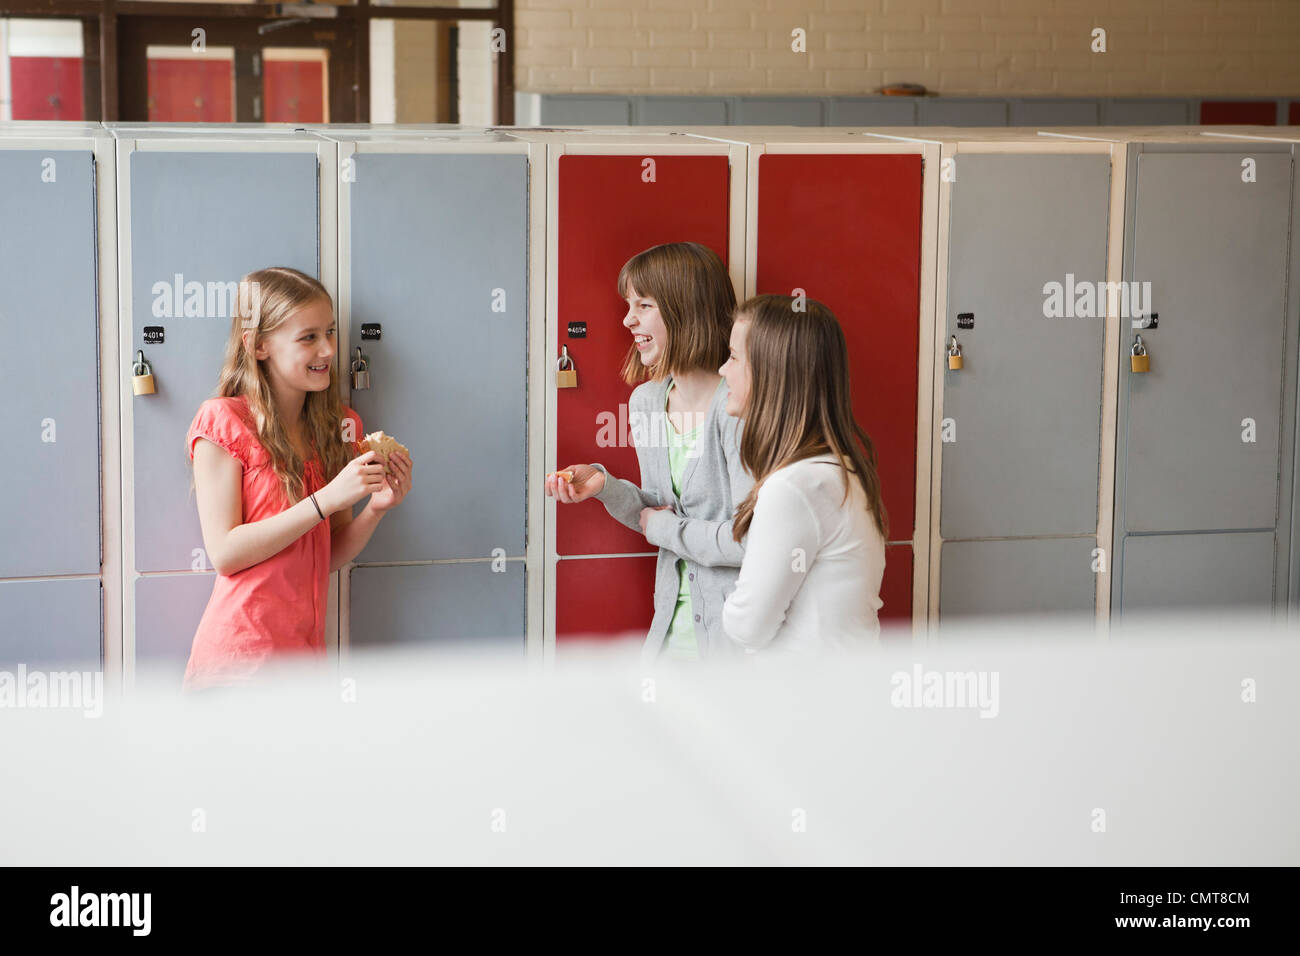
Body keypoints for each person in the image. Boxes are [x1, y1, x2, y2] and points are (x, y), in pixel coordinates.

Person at [183, 266, 413, 690]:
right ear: (259, 346)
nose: (327, 349)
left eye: (330, 332)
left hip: (305, 666)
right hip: (238, 666)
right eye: (308, 337)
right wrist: (325, 500)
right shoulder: (224, 421)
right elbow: (225, 553)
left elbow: (328, 555)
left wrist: (376, 510)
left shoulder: (338, 427)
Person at [546, 242, 753, 663]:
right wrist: (604, 486)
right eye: (628, 304)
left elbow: (747, 542)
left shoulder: (736, 406)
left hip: (732, 650)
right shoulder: (646, 401)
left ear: (685, 309)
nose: (628, 319)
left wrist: (665, 530)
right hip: (666, 642)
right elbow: (655, 511)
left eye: (644, 304)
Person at [719, 294, 887, 655]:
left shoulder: (794, 487)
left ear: (771, 372)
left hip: (809, 703)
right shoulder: (836, 471)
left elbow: (747, 626)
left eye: (733, 357)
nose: (723, 370)